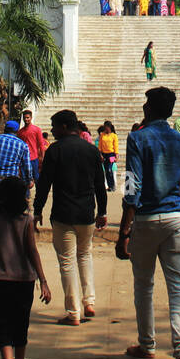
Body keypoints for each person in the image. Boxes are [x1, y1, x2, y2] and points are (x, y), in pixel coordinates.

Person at [116, 86, 180, 359]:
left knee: (143, 284)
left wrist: (124, 230)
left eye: (146, 104)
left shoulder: (137, 138)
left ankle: (147, 345)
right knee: (178, 284)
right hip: (174, 216)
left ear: (149, 108)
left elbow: (131, 186)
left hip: (147, 218)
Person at [34, 109, 107, 326]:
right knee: (85, 256)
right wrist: (102, 211)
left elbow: (44, 184)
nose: (52, 130)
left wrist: (37, 210)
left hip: (64, 214)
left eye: (55, 126)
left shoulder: (55, 150)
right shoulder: (91, 150)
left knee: (67, 261)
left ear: (65, 127)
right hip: (86, 213)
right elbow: (99, 185)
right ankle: (89, 301)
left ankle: (73, 312)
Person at [0, 175, 52, 359]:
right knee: (21, 325)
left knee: (4, 326)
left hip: (2, 279)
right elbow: (33, 251)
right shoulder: (27, 220)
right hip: (26, 279)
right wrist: (43, 281)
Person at [0, 120, 33, 244]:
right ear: (17, 131)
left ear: (5, 128)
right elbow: (27, 165)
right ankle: (7, 237)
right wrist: (29, 180)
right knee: (11, 210)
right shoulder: (22, 144)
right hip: (12, 182)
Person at [17, 109, 47, 183]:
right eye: (25, 118)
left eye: (28, 117)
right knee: (24, 179)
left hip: (34, 158)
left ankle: (39, 193)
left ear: (31, 117)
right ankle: (26, 194)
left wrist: (43, 158)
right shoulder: (20, 132)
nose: (26, 119)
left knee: (36, 177)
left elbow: (41, 144)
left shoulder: (37, 130)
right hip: (23, 159)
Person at [98, 122, 119, 191]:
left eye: (106, 127)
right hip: (104, 154)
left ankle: (112, 185)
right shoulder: (102, 135)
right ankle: (109, 186)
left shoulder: (114, 135)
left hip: (111, 154)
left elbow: (116, 146)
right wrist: (100, 154)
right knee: (106, 170)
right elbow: (100, 146)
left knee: (110, 169)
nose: (105, 128)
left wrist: (117, 155)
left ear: (109, 127)